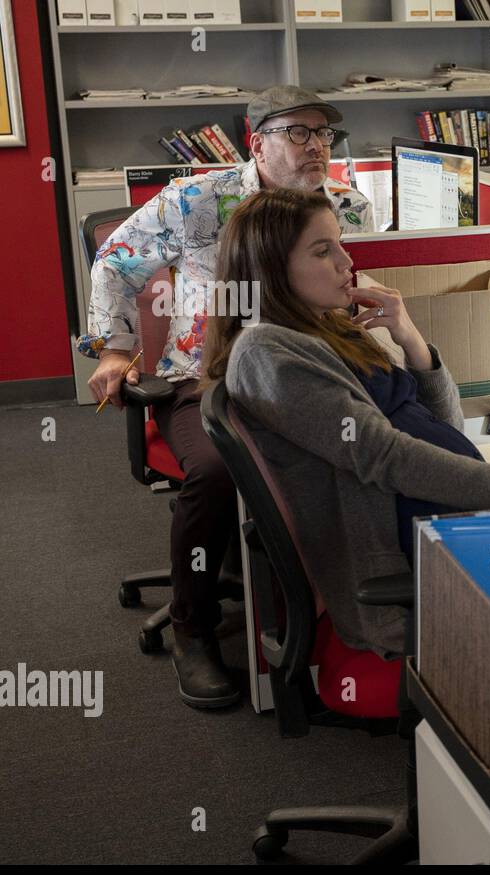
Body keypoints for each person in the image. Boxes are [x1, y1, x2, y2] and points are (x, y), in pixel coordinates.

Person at [79, 86, 374, 709]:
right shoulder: (200, 200)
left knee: (369, 446)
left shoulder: (348, 207)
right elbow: (114, 261)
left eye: (324, 134)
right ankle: (193, 627)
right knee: (216, 472)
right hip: (207, 378)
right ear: (256, 139)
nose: (316, 145)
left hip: (309, 374)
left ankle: (350, 622)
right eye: (298, 132)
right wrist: (112, 346)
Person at [203, 189, 490, 659]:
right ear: (271, 268)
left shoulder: (327, 325)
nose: (346, 261)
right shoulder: (265, 351)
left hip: (442, 517)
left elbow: (444, 429)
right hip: (411, 547)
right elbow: (384, 456)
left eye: (340, 243)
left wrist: (410, 339)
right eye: (323, 250)